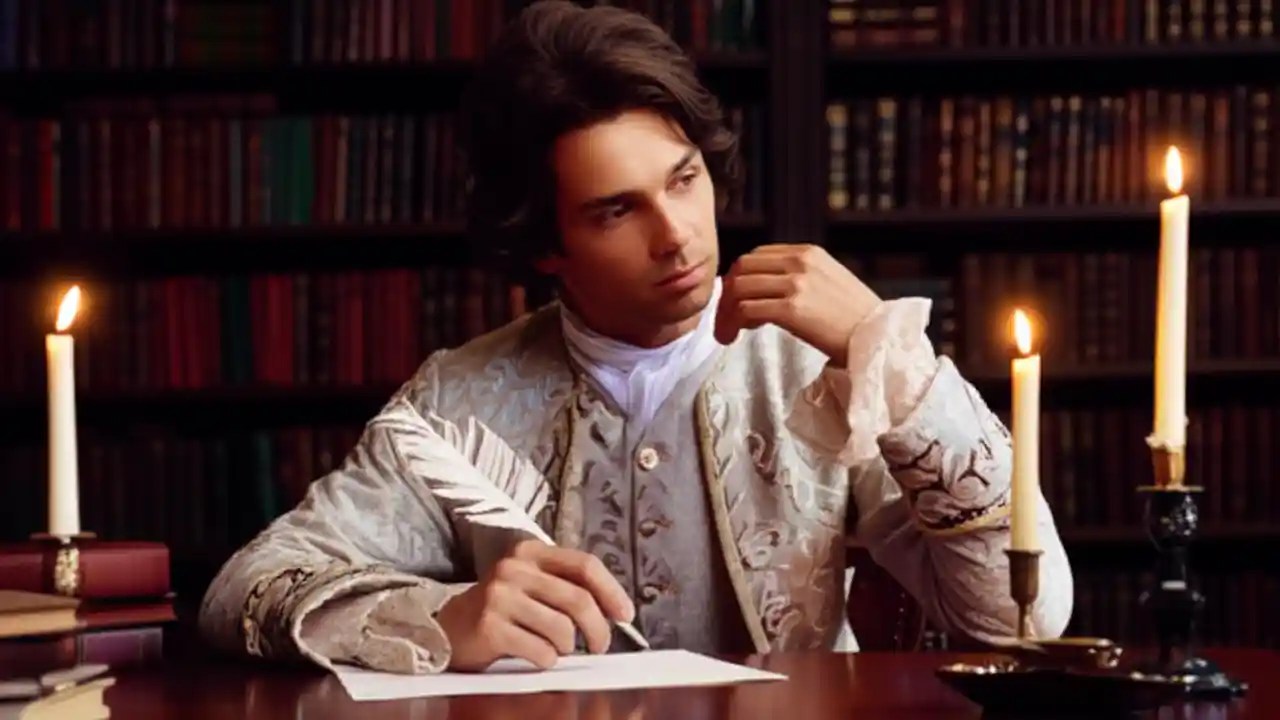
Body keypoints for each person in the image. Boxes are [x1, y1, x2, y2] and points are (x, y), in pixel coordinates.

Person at [198, 0, 1073, 674]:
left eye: (684, 180)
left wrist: (897, 365)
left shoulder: (825, 363)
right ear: (544, 245)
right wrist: (440, 620)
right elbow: (243, 590)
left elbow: (1028, 617)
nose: (678, 235)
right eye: (618, 210)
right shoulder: (461, 397)